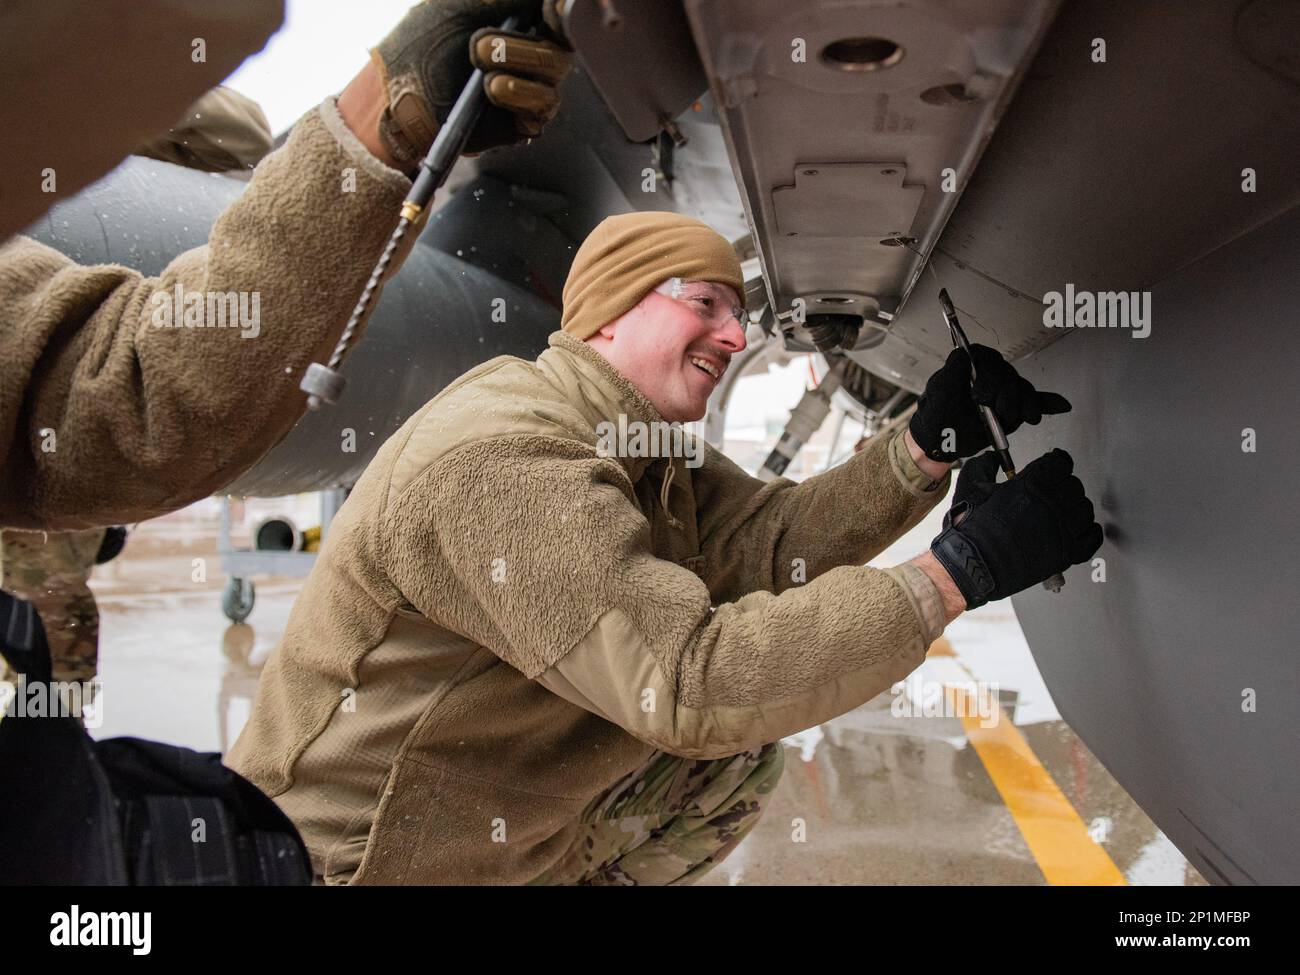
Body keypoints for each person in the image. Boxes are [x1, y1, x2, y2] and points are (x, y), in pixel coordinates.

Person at [229, 210, 1103, 886]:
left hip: (488, 823)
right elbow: (688, 682)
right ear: (610, 312)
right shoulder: (504, 458)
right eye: (705, 305)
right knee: (714, 717)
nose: (735, 335)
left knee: (732, 760)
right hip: (359, 864)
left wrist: (922, 448)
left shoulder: (635, 436)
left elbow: (766, 544)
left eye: (738, 313)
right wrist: (960, 573)